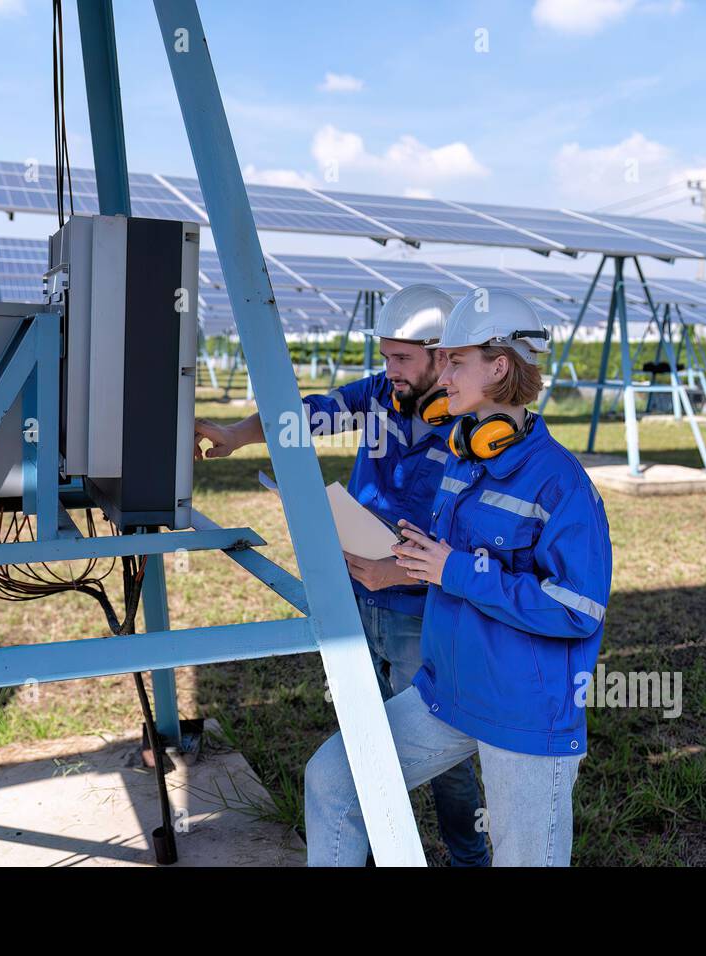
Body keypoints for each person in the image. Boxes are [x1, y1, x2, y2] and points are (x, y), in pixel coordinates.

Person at [303, 288, 613, 867]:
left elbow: (578, 609)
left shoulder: (562, 484)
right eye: (441, 359)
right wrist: (418, 561)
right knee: (332, 779)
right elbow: (451, 566)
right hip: (447, 689)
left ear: (499, 368)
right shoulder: (463, 457)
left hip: (521, 712)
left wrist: (457, 570)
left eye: (456, 361)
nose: (441, 372)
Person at [194, 284, 491, 867]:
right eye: (385, 356)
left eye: (402, 358)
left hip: (420, 610)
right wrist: (236, 435)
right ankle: (386, 842)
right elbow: (305, 415)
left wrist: (395, 571)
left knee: (440, 751)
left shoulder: (475, 428)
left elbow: (476, 543)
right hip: (360, 596)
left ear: (443, 354)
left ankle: (469, 856)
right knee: (369, 735)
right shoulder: (382, 394)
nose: (390, 370)